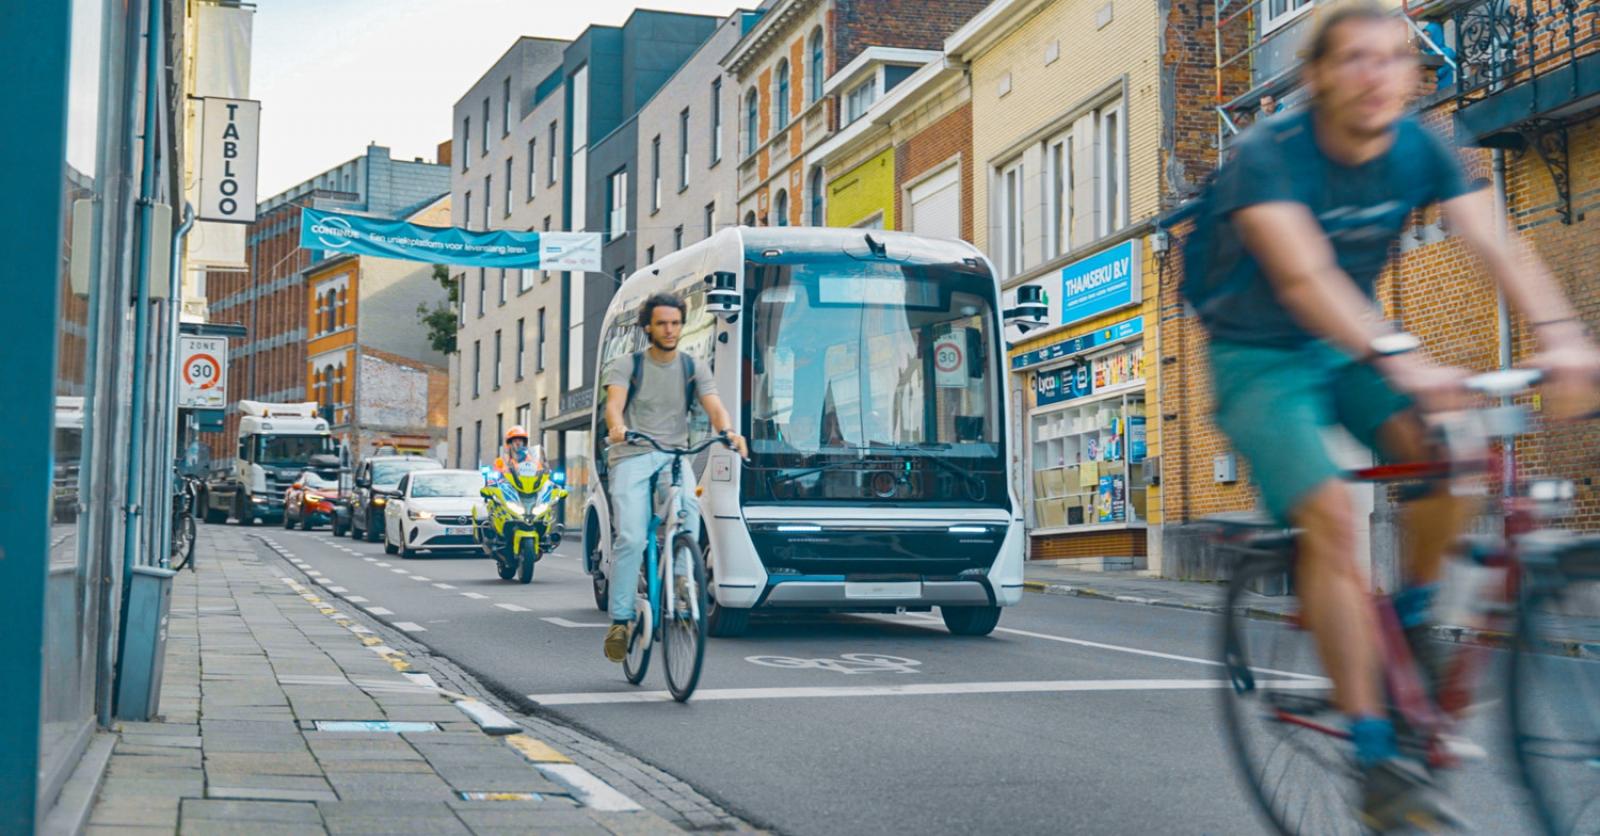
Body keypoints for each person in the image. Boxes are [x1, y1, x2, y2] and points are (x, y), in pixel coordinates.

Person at [1197, 1, 1600, 829]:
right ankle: (1378, 759)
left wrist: (1564, 336)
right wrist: (1405, 358)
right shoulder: (1265, 156)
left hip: (1350, 347)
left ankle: (1412, 625)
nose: (1379, 77)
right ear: (1315, 78)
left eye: (1396, 59)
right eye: (1356, 60)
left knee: (1452, 449)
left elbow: (1498, 242)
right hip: (1259, 352)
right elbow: (1307, 278)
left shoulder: (1419, 146)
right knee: (1330, 524)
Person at [601, 293, 748, 662]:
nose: (670, 329)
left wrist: (729, 431)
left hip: (672, 453)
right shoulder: (626, 365)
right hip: (632, 453)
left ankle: (681, 584)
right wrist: (618, 427)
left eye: (676, 323)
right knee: (633, 537)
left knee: (688, 510)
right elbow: (614, 406)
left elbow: (714, 406)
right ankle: (620, 620)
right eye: (662, 323)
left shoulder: (692, 367)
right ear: (648, 327)